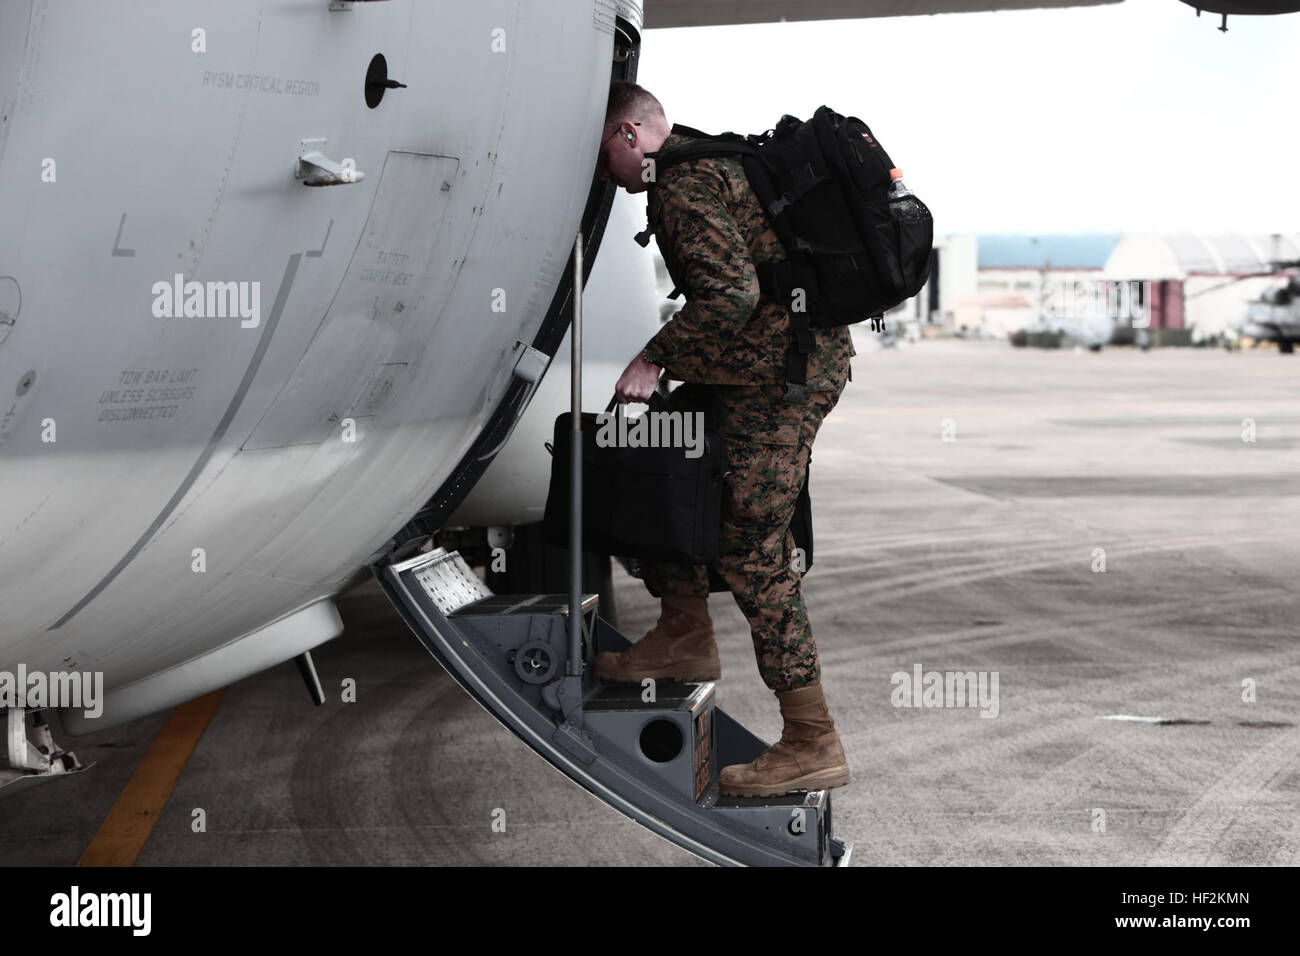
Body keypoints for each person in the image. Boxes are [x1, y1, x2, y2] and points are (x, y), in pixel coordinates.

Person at [593, 81, 854, 798]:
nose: (602, 177)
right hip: (751, 368)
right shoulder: (704, 165)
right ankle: (682, 635)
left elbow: (731, 297)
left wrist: (654, 358)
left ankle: (811, 739)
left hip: (781, 380)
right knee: (662, 460)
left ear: (628, 138)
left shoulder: (682, 186)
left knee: (750, 544)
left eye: (601, 157)